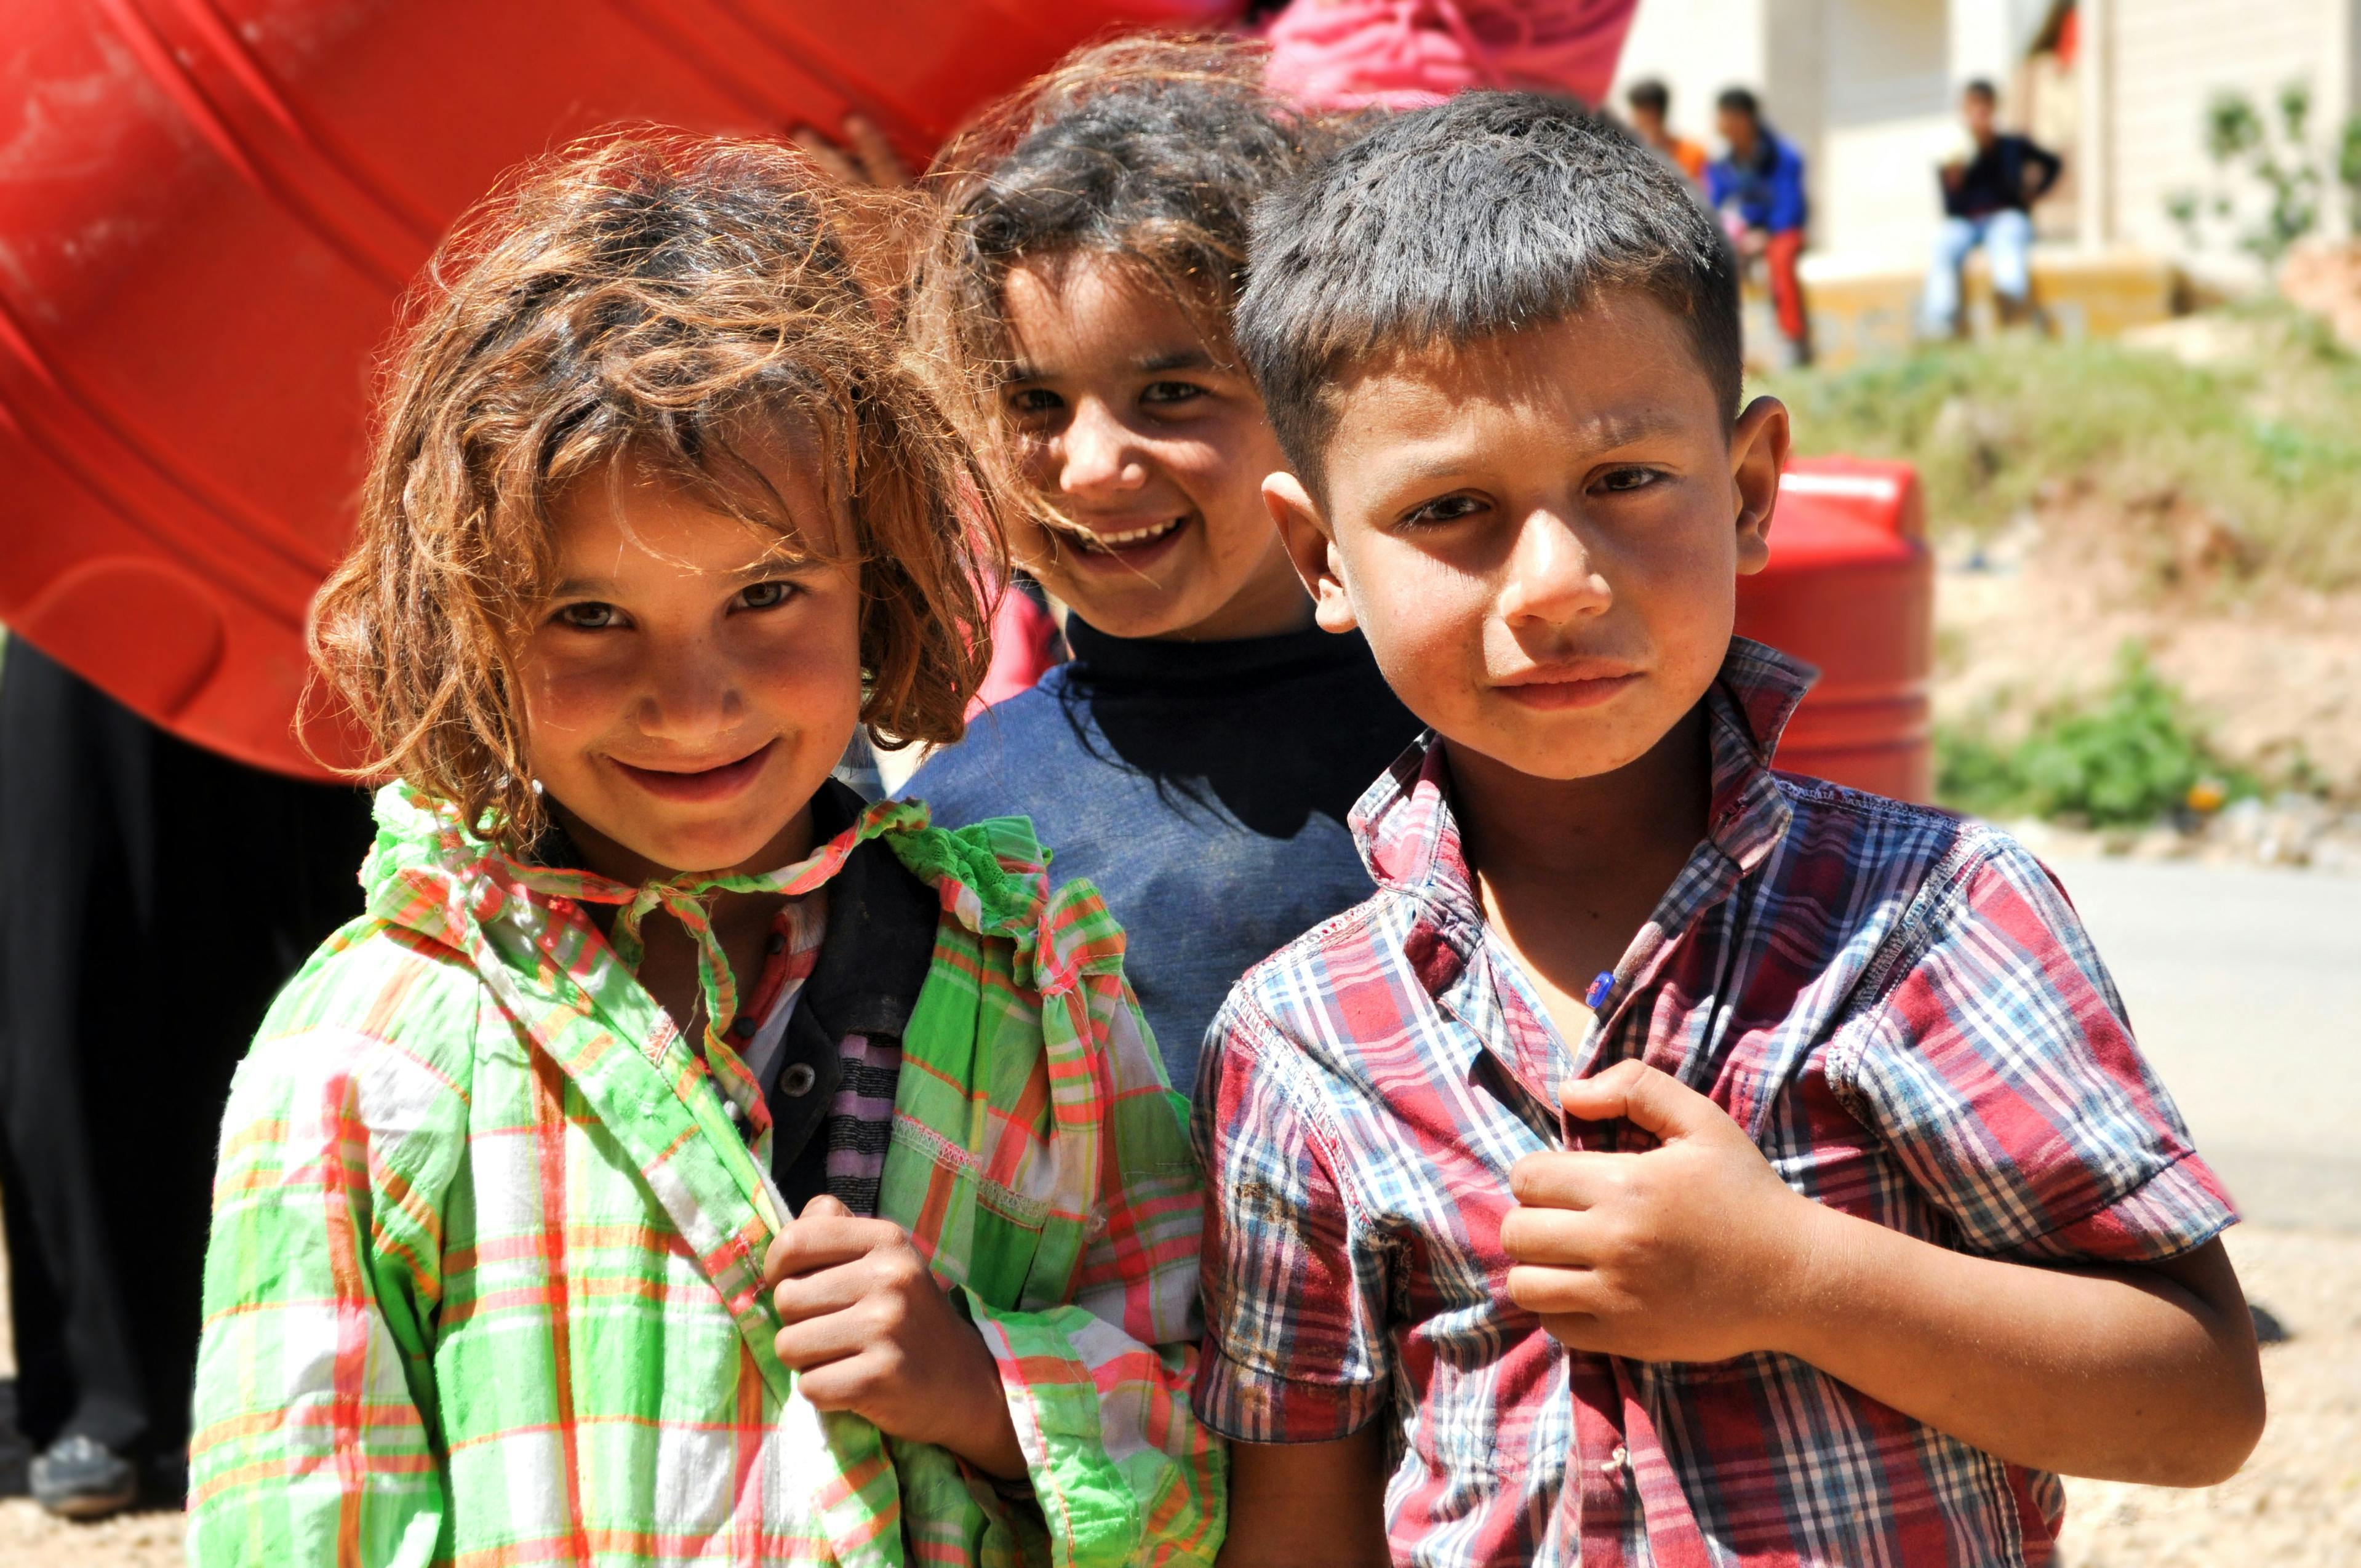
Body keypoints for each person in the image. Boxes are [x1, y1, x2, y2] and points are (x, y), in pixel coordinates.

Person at [1197, 94, 2264, 1566]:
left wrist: (1791, 1276)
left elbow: (2201, 1404)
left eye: (1625, 481)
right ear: (1321, 556)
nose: (1557, 581)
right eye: (1451, 510)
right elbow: (1302, 1527)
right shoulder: (1306, 1037)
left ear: (1752, 487)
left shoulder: (1936, 919)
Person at [187, 133, 1221, 1566]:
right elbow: (293, 1525)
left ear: (886, 575)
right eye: (590, 616)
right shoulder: (376, 1049)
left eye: (768, 592)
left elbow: (1206, 1447)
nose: (691, 698)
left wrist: (992, 1391)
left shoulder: (1030, 988)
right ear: (469, 623)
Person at [903, 36, 1417, 1093]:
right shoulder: (962, 821)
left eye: (1173, 394)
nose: (1090, 468)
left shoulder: (1476, 733)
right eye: (1032, 404)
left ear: (1316, 392)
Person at [0, 643, 373, 1519]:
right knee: (80, 942)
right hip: (103, 562)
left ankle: (328, 1386)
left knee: (353, 944)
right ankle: (106, 1396)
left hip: (327, 562)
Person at [1922, 78, 2063, 337]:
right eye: (1973, 106)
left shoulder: (2012, 145)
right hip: (1965, 223)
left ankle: (2011, 302)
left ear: (1995, 108)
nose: (1980, 113)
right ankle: (1939, 324)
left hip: (2004, 218)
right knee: (1943, 242)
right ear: (1964, 110)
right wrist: (1954, 179)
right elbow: (1950, 209)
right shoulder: (1952, 152)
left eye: (1985, 106)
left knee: (2008, 236)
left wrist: (2035, 193)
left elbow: (2054, 163)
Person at [1706, 85, 1812, 366]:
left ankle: (1793, 343)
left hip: (1781, 231)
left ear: (1743, 119)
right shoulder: (1723, 164)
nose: (1719, 124)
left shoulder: (1784, 156)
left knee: (1781, 260)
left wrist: (1766, 234)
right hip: (1744, 234)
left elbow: (1791, 206)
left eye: (1724, 116)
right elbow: (1713, 205)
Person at [1623, 77, 1706, 186]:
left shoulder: (1693, 154)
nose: (1634, 119)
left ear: (1653, 113)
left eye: (1638, 112)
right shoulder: (1627, 153)